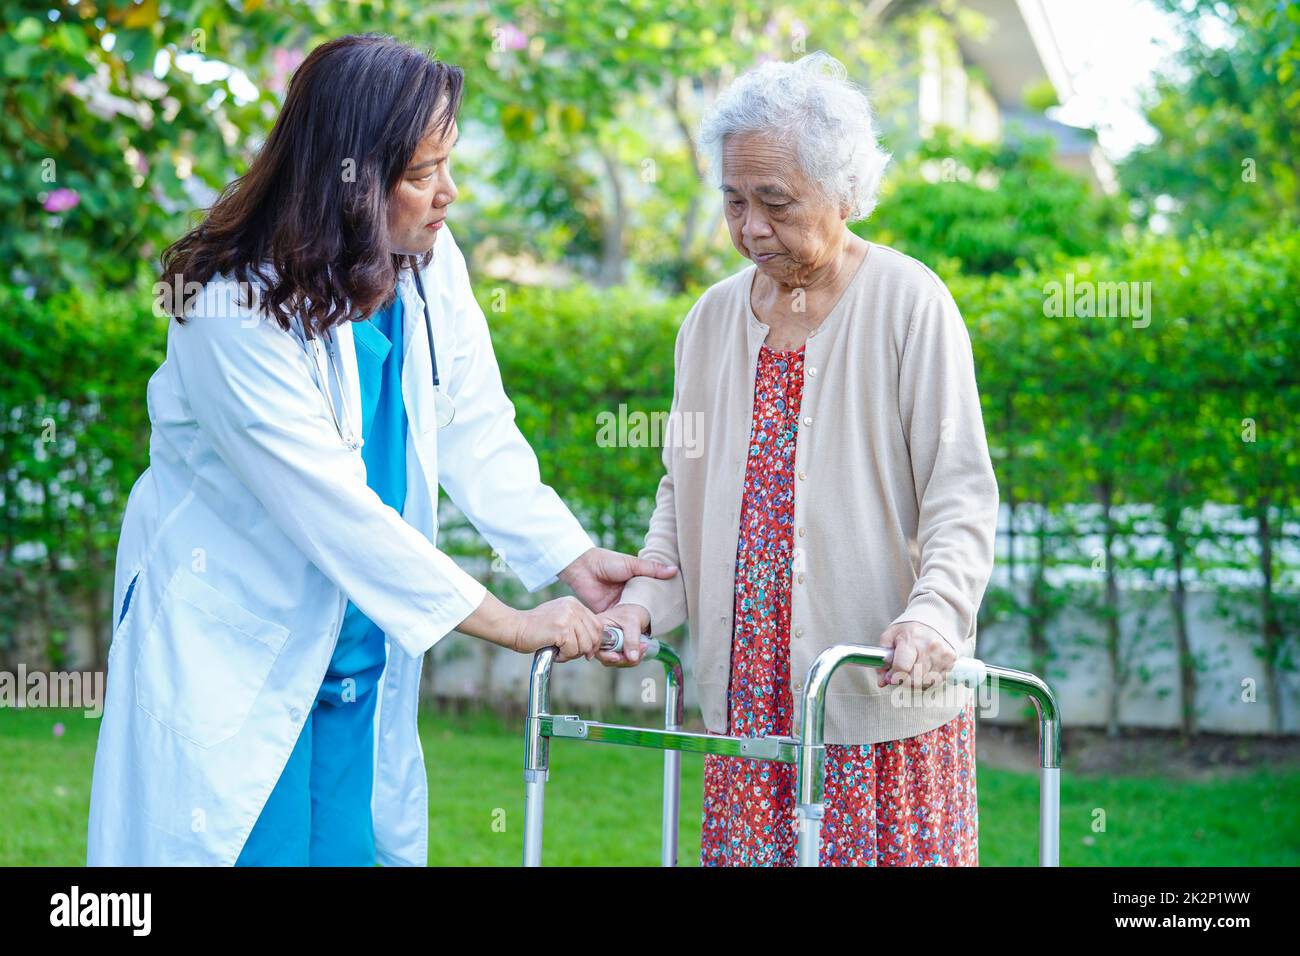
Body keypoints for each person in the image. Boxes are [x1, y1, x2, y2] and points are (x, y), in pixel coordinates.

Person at [86, 33, 675, 867]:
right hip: (235, 657)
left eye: (450, 163)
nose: (450, 194)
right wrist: (512, 623)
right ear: (349, 178)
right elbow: (334, 512)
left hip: (357, 656)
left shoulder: (426, 267)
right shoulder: (232, 312)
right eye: (423, 173)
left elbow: (475, 426)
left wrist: (572, 558)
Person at [598, 52, 999, 866]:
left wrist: (934, 613)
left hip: (869, 696)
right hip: (747, 703)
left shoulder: (908, 302)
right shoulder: (709, 320)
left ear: (844, 191)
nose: (750, 228)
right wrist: (640, 600)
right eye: (734, 201)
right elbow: (684, 490)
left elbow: (960, 492)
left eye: (775, 202)